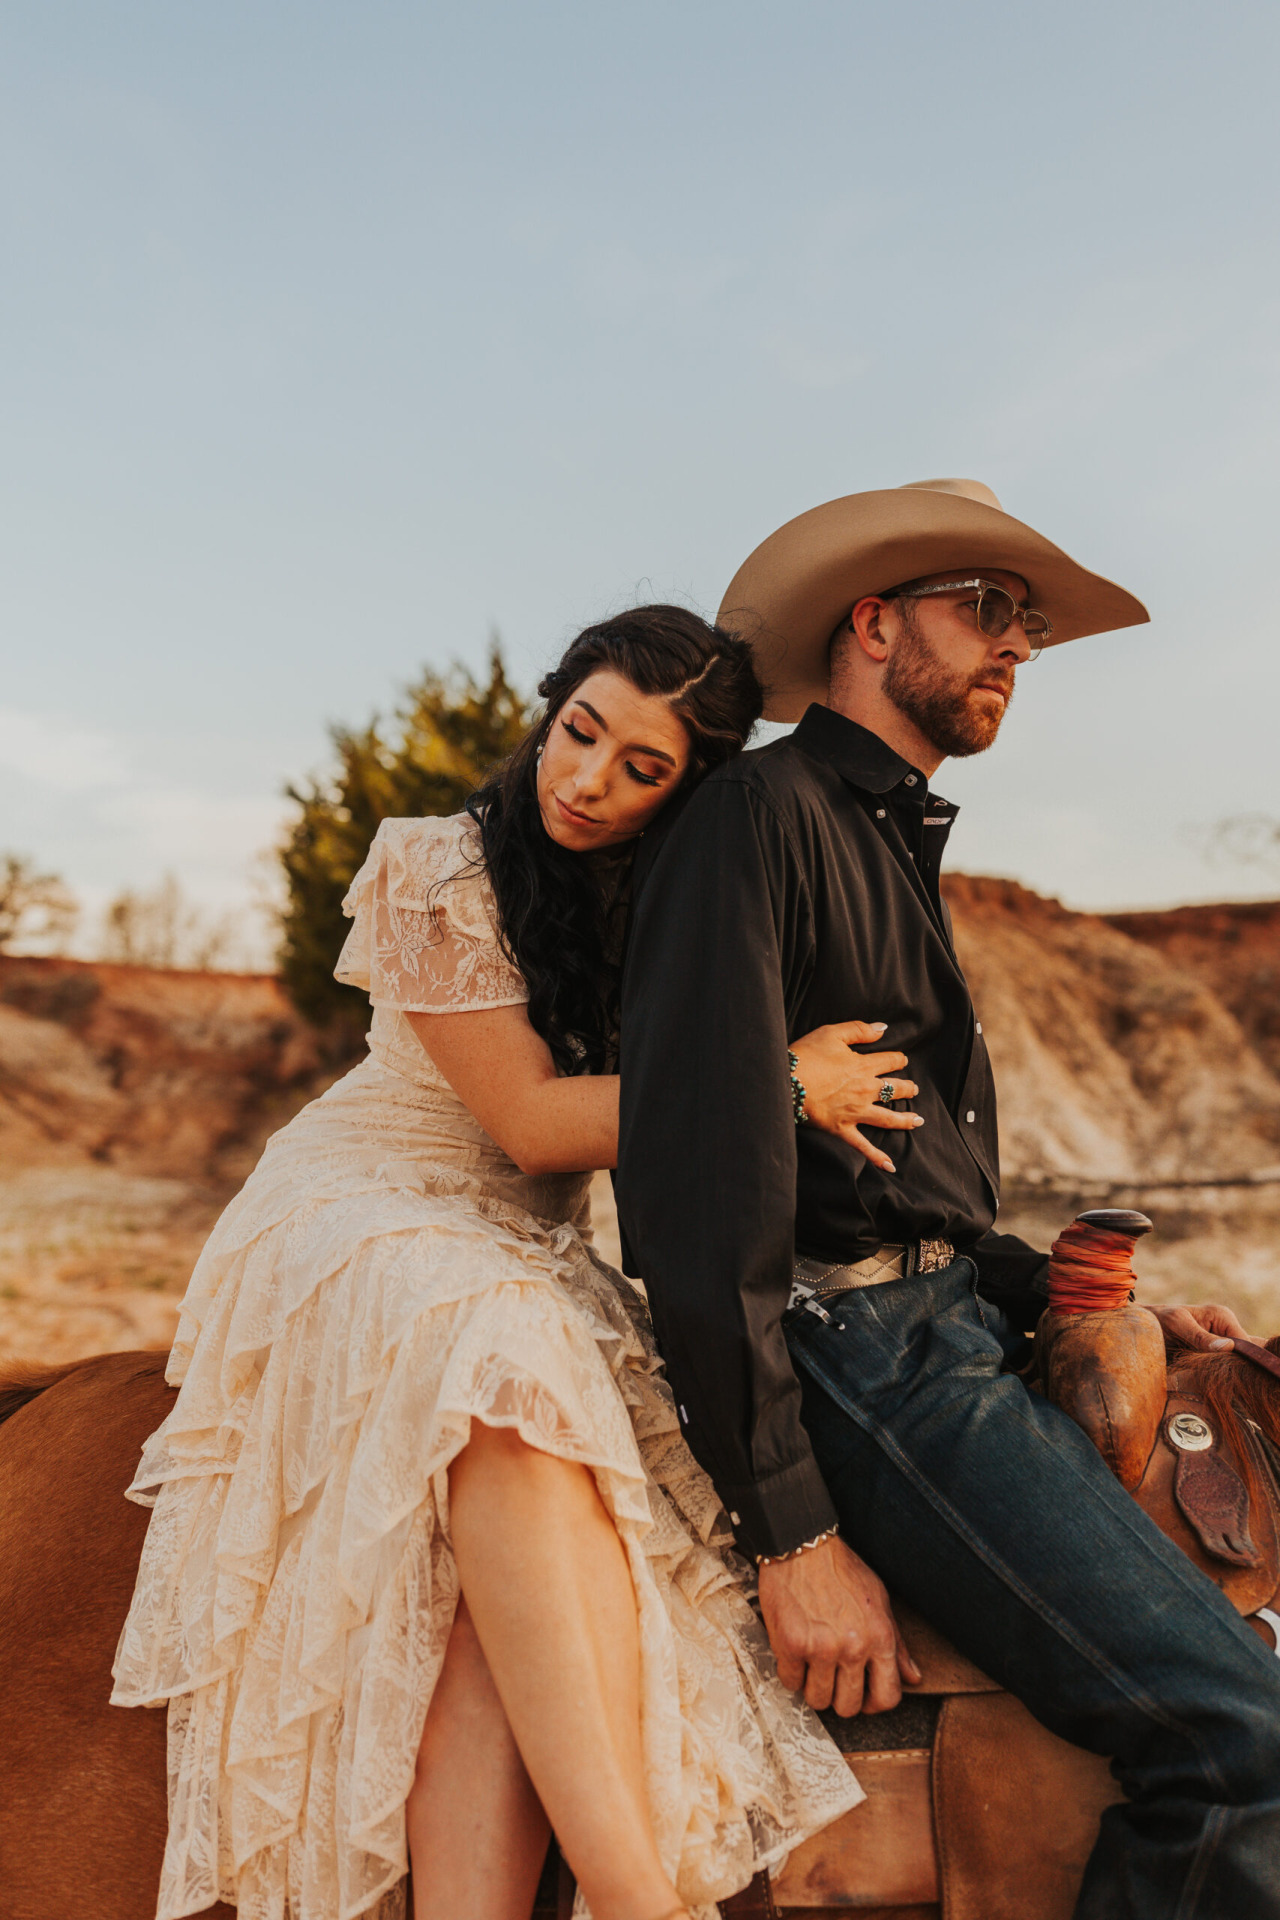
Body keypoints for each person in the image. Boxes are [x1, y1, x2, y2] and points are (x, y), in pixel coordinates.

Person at [111, 604, 914, 1920]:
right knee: (505, 1367)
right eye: (577, 731)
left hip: (529, 1240)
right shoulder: (433, 864)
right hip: (374, 1205)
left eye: (640, 768)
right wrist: (775, 1079)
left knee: (499, 1601)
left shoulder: (669, 907)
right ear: (551, 710)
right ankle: (637, 1898)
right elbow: (535, 1122)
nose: (586, 780)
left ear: (689, 789)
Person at [616, 481, 1280, 1916]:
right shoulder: (755, 818)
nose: (1019, 646)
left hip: (940, 1315)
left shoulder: (890, 840)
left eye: (1026, 624)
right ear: (871, 622)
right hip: (866, 1360)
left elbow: (930, 1205)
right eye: (987, 606)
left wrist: (1096, 1301)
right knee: (1244, 1741)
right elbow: (692, 1193)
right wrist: (793, 1536)